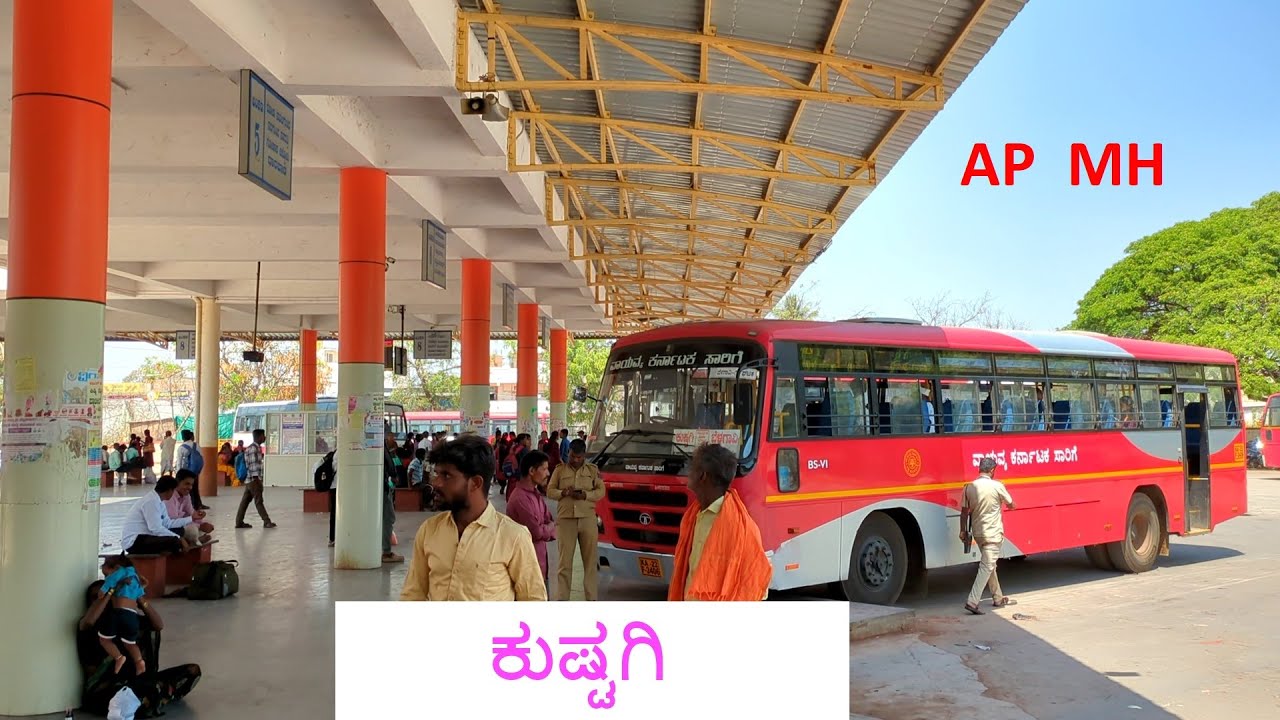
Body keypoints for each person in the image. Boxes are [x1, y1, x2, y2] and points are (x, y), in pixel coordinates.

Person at [400, 435, 545, 601]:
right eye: (436, 473)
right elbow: (413, 593)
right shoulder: (429, 530)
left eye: (447, 475)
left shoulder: (513, 536)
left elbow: (533, 599)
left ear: (475, 483)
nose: (436, 483)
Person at [77, 579, 201, 716]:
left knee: (192, 671)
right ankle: (156, 697)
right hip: (107, 688)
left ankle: (153, 697)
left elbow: (158, 625)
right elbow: (88, 624)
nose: (102, 600)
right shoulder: (88, 627)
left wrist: (139, 597)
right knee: (134, 695)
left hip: (139, 681)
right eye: (96, 597)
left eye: (108, 595)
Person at [668, 443, 772, 601]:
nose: (687, 472)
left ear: (703, 476)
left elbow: (756, 579)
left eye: (692, 468)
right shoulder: (693, 516)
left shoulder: (741, 527)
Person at [547, 438, 604, 601]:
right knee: (564, 563)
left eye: (579, 457)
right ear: (568, 454)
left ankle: (591, 598)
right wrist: (563, 493)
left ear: (584, 455)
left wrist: (586, 495)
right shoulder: (559, 470)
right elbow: (550, 491)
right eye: (572, 456)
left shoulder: (593, 470)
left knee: (590, 562)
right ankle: (563, 599)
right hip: (566, 520)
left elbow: (601, 491)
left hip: (588, 519)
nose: (576, 460)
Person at [960, 456, 1017, 615]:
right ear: (992, 470)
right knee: (986, 566)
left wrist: (962, 531)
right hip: (993, 534)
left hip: (978, 534)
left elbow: (964, 513)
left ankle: (997, 597)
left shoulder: (969, 487)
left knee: (990, 564)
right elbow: (1011, 503)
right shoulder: (997, 486)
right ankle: (972, 601)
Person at [505, 449, 556, 587]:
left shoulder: (535, 494)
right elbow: (537, 532)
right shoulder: (520, 499)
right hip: (527, 570)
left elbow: (550, 520)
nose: (548, 473)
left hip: (540, 565)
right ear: (532, 471)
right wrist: (548, 528)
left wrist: (547, 528)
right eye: (544, 469)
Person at [93, 556, 148, 674]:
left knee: (104, 640)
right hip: (132, 616)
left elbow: (108, 585)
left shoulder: (121, 572)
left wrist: (102, 592)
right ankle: (139, 661)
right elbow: (140, 595)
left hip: (119, 612)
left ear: (116, 567)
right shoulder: (136, 578)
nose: (106, 577)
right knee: (130, 644)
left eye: (106, 574)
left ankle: (118, 657)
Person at [119, 475, 194, 555]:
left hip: (147, 535)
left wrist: (191, 518)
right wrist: (179, 538)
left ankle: (185, 544)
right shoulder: (151, 501)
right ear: (169, 490)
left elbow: (167, 523)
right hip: (135, 541)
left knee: (179, 531)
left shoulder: (160, 501)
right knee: (174, 541)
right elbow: (155, 529)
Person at [235, 428, 277, 529]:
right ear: (259, 437)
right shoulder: (254, 449)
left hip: (249, 480)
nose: (265, 437)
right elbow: (253, 465)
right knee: (259, 501)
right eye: (263, 435)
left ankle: (239, 522)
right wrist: (257, 480)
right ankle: (266, 521)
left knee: (244, 502)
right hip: (254, 480)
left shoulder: (252, 448)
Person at [166, 470, 216, 546]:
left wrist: (202, 522)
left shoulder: (186, 495)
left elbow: (191, 513)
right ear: (177, 483)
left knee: (198, 528)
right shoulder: (170, 496)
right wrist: (199, 526)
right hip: (169, 527)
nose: (189, 487)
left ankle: (194, 540)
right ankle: (193, 540)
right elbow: (173, 521)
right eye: (187, 484)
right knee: (192, 530)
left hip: (180, 525)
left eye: (191, 485)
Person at [381, 432, 404, 564]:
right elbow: (389, 462)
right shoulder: (380, 444)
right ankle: (386, 552)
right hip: (381, 487)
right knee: (388, 517)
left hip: (370, 488)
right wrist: (394, 475)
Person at [176, 430, 207, 510]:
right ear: (190, 436)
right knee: (195, 487)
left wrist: (178, 473)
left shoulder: (181, 448)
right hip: (195, 471)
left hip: (185, 472)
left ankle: (190, 505)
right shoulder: (196, 445)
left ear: (183, 437)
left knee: (187, 489)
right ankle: (198, 504)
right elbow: (201, 457)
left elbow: (179, 462)